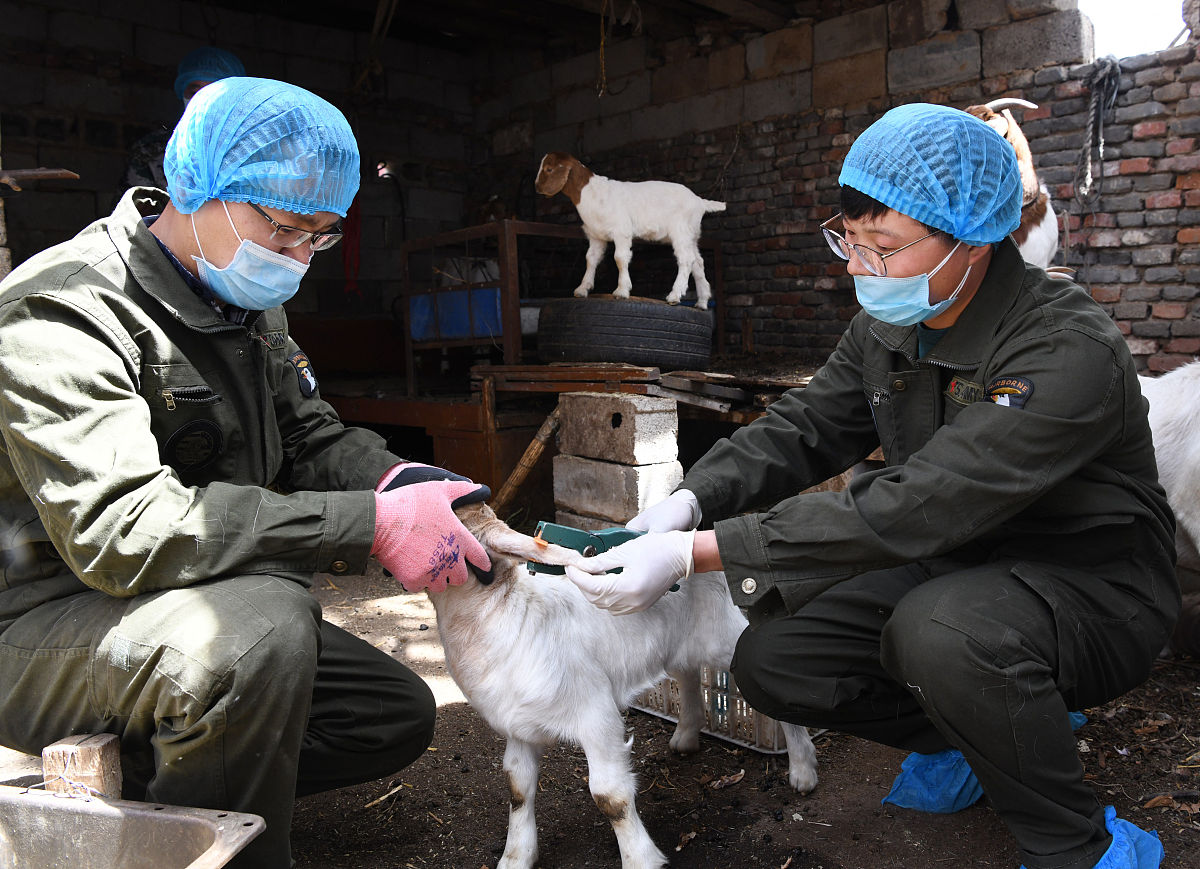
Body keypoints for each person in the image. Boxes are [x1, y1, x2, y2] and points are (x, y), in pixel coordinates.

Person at [565, 103, 1179, 869]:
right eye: (847, 239)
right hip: (960, 562)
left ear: (973, 241)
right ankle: (983, 732)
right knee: (774, 661)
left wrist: (696, 552)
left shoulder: (1066, 346)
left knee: (940, 631)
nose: (855, 265)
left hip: (1093, 585)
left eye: (880, 245)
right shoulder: (894, 322)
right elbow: (807, 424)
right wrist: (689, 499)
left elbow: (926, 500)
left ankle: (1077, 844)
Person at [0, 77, 491, 869]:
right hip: (42, 624)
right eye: (290, 230)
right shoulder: (63, 311)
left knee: (390, 714)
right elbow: (122, 533)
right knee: (254, 631)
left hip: (177, 602)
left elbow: (308, 435)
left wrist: (403, 483)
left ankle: (171, 811)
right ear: (202, 192)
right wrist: (369, 525)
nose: (301, 259)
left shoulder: (245, 297)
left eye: (321, 237)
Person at [123, 46, 245, 190]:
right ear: (182, 93)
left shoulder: (250, 148)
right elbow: (135, 208)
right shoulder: (153, 150)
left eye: (215, 92)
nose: (204, 99)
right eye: (195, 92)